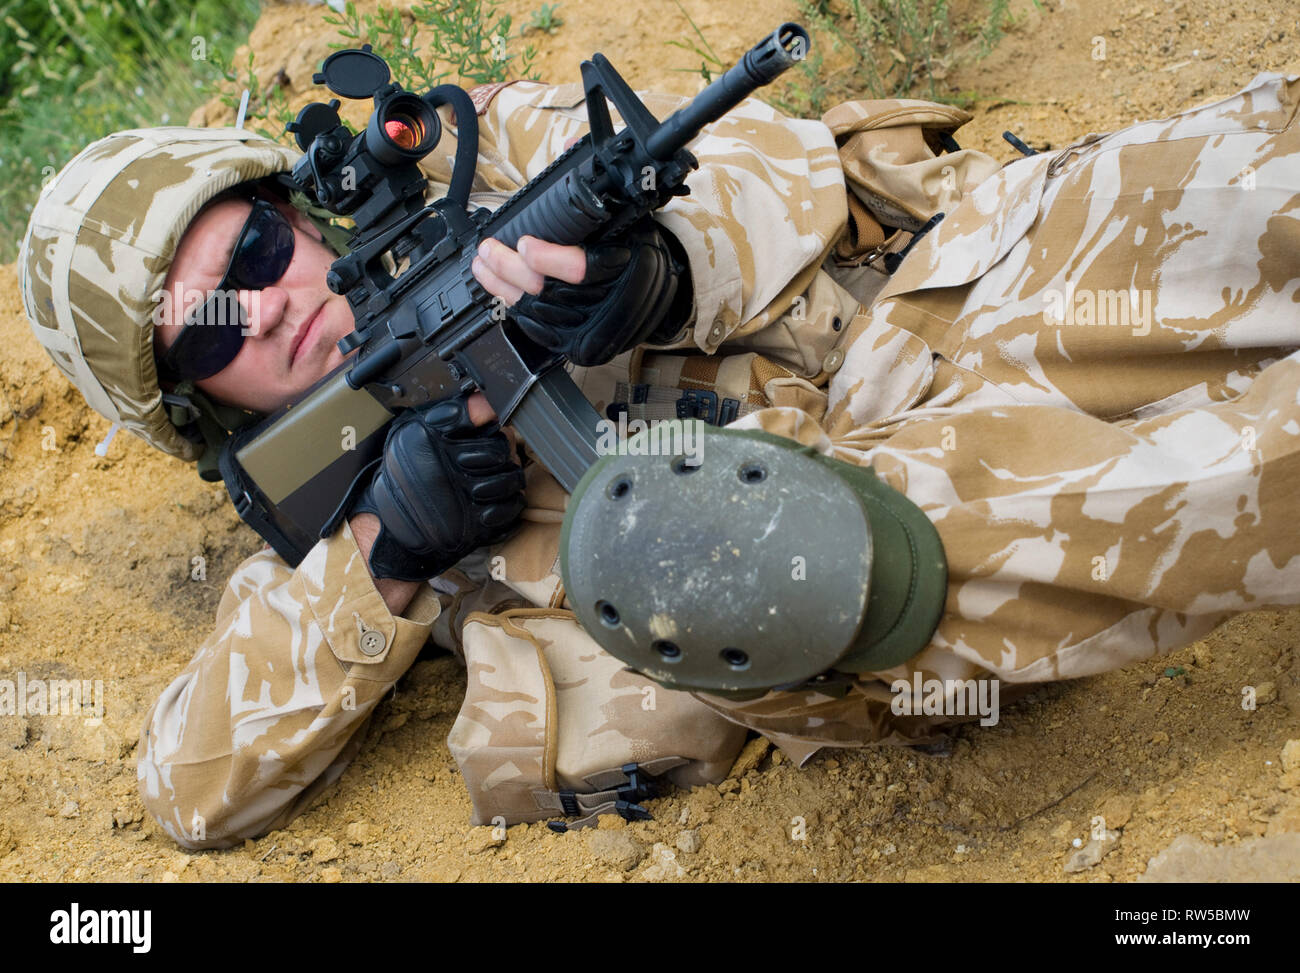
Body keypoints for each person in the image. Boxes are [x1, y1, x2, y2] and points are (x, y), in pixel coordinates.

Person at [19, 67, 1300, 849]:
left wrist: (665, 273)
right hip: (843, 557)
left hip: (922, 321)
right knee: (740, 551)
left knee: (1201, 194)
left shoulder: (491, 165)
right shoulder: (319, 525)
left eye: (250, 257)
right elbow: (187, 784)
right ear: (199, 409)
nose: (265, 308)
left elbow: (771, 162)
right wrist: (388, 549)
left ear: (298, 219)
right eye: (206, 336)